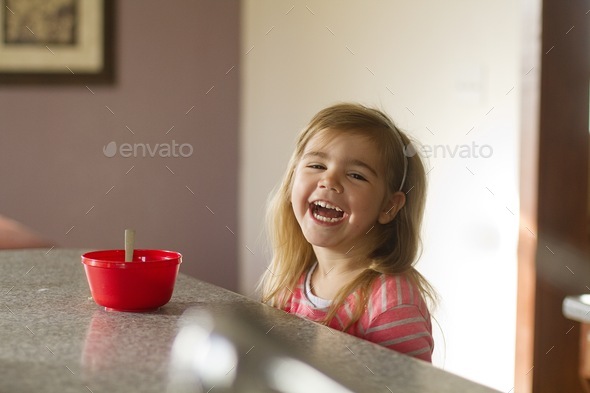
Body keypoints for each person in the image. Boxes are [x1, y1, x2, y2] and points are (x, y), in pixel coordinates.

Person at [260, 102, 436, 362]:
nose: (329, 181)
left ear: (388, 206)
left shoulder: (392, 305)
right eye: (317, 166)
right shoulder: (292, 279)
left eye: (356, 175)